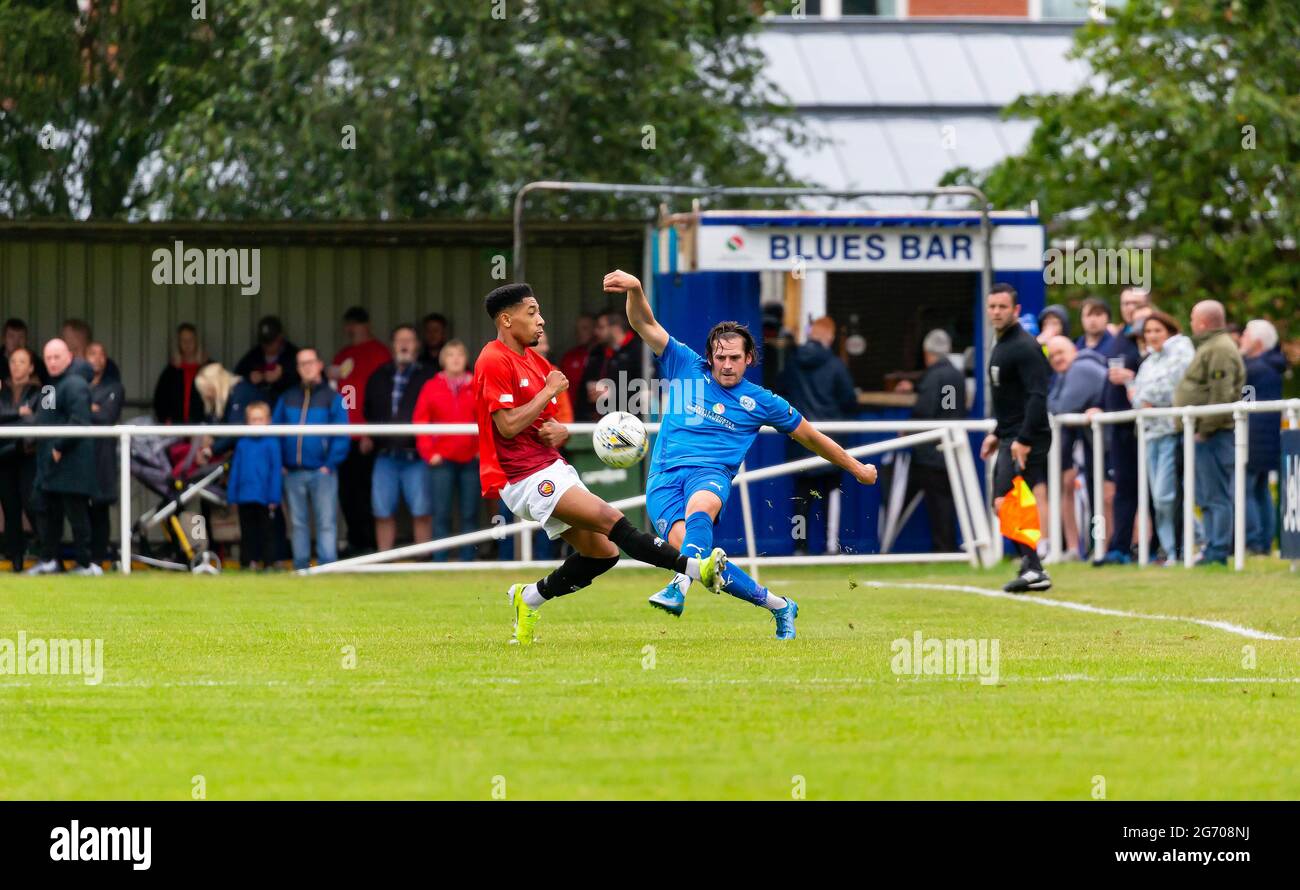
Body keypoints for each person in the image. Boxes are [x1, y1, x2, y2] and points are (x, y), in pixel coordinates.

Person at [606, 269, 878, 639]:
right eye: (720, 358)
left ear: (750, 358)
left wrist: (856, 467)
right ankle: (780, 605)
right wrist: (636, 288)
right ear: (710, 357)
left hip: (710, 475)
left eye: (734, 357)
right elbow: (643, 322)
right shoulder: (685, 364)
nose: (727, 364)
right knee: (700, 563)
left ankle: (676, 587)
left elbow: (812, 438)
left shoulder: (762, 401)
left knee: (700, 512)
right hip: (663, 480)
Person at [476, 282, 727, 647]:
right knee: (613, 521)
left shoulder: (535, 361)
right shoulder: (493, 359)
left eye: (539, 311)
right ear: (506, 319)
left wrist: (557, 429)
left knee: (603, 553)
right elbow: (507, 424)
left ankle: (528, 597)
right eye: (532, 313)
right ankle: (695, 568)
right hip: (524, 478)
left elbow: (542, 424)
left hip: (551, 466)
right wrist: (548, 392)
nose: (541, 321)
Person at [981, 284, 1052, 592]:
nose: (996, 312)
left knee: (1007, 500)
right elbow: (1011, 398)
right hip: (1010, 435)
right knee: (1011, 502)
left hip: (1026, 438)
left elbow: (1037, 396)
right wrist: (997, 433)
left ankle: (1035, 568)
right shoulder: (1002, 344)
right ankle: (1030, 563)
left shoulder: (1024, 346)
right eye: (992, 306)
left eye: (1002, 307)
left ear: (1016, 310)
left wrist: (1023, 438)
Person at [1173, 300, 1246, 566]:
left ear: (1203, 321)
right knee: (1206, 495)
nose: (1191, 323)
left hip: (1214, 435)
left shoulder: (1220, 349)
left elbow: (1222, 394)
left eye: (1193, 318)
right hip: (1205, 434)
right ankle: (1212, 548)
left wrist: (1204, 429)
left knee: (1215, 496)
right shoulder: (1212, 346)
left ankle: (1217, 551)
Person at [779, 316, 859, 556]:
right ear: (830, 337)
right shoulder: (836, 365)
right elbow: (849, 400)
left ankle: (799, 548)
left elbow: (780, 391)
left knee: (801, 498)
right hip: (830, 440)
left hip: (799, 438)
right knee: (831, 494)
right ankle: (831, 546)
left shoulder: (792, 362)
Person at [273, 348, 349, 570]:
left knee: (326, 522)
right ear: (297, 369)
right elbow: (275, 432)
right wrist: (281, 464)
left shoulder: (334, 398)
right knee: (297, 524)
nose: (307, 367)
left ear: (319, 365)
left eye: (310, 362)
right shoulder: (287, 397)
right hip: (292, 472)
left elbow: (341, 435)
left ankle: (327, 566)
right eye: (301, 364)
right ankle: (301, 567)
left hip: (322, 472)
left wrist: (329, 465)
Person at [1127, 311, 1194, 563]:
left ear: (1170, 331)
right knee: (1157, 496)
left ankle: (1188, 541)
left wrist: (1146, 398)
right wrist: (1141, 399)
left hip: (1170, 432)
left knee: (1167, 495)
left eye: (1158, 330)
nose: (1153, 336)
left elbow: (1175, 384)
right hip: (1148, 434)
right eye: (1148, 332)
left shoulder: (1182, 351)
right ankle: (1169, 550)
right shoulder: (1148, 361)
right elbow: (1135, 395)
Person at [363, 325, 437, 553]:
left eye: (409, 340)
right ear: (393, 345)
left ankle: (423, 561)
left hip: (416, 455)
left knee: (422, 510)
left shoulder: (429, 374)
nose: (404, 344)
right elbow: (368, 410)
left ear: (416, 345)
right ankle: (386, 561)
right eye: (399, 340)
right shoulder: (379, 374)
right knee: (382, 511)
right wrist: (367, 435)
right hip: (385, 455)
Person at [28, 339, 98, 575]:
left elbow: (80, 421)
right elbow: (44, 418)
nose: (52, 362)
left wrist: (57, 447)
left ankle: (85, 564)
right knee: (47, 513)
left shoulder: (75, 384)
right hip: (49, 465)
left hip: (71, 464)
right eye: (48, 358)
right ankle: (49, 560)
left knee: (77, 516)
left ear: (69, 356)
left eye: (57, 357)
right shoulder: (50, 385)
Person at [329, 306, 392, 556]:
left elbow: (381, 396)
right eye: (347, 325)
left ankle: (369, 544)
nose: (350, 330)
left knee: (367, 491)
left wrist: (370, 432)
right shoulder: (343, 354)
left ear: (366, 325)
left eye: (354, 325)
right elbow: (334, 390)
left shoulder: (378, 352)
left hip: (365, 435)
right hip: (343, 435)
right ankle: (355, 541)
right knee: (346, 492)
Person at [1092, 287, 1148, 566]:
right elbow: (1107, 379)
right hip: (1119, 426)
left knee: (1153, 491)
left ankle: (1159, 548)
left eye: (1136, 304)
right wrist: (1100, 405)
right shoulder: (1119, 339)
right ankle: (1119, 547)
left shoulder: (1149, 339)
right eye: (1126, 303)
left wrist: (1132, 377)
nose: (1130, 308)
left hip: (1143, 425)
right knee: (1122, 488)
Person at [901, 329, 966, 552]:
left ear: (928, 353)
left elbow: (925, 409)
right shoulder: (957, 375)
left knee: (934, 503)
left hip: (930, 451)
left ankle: (941, 548)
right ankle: (948, 546)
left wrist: (907, 430)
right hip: (951, 447)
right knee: (947, 501)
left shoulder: (934, 376)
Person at [414, 340, 479, 561]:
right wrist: (429, 453)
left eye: (460, 354)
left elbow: (489, 418)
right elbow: (420, 422)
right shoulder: (431, 386)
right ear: (443, 360)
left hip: (471, 459)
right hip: (440, 461)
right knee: (441, 514)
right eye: (450, 355)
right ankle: (439, 560)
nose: (455, 359)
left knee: (470, 513)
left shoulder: (477, 385)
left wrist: (481, 450)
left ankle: (468, 559)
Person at [1046, 335, 1108, 558]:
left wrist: (1055, 404)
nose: (1056, 359)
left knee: (1107, 497)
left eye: (1060, 353)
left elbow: (1060, 406)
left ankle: (1110, 548)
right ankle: (1097, 548)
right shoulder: (1066, 373)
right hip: (1095, 444)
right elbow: (1053, 404)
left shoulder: (1081, 368)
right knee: (1095, 496)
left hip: (1110, 443)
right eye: (1052, 356)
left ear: (1074, 349)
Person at [1240, 319, 1287, 555]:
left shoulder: (1252, 369)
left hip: (1252, 438)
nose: (1241, 339)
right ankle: (1264, 541)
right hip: (1267, 439)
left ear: (1257, 342)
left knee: (1245, 489)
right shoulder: (1273, 366)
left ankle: (1254, 542)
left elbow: (1247, 405)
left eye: (1245, 336)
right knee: (1261, 490)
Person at [225, 401, 283, 570]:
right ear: (247, 422)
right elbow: (235, 471)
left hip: (265, 498)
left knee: (267, 532)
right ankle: (249, 562)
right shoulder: (242, 444)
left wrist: (274, 497)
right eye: (253, 419)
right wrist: (232, 496)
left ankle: (269, 563)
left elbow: (275, 473)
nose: (257, 423)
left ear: (268, 421)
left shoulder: (272, 444)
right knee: (247, 532)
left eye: (260, 419)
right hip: (245, 496)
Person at [0, 347, 41, 570]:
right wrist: (19, 414)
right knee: (10, 509)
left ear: (31, 366)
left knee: (32, 504)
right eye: (13, 361)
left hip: (28, 457)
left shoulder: (44, 391)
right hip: (5, 458)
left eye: (22, 361)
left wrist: (15, 423)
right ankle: (15, 560)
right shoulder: (1, 390)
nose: (16, 366)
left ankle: (48, 555)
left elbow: (41, 421)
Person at [85, 342, 125, 567]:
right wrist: (90, 408)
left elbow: (107, 417)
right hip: (78, 455)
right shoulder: (72, 385)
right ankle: (82, 559)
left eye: (101, 354)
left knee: (100, 508)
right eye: (92, 354)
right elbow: (62, 413)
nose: (96, 358)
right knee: (79, 508)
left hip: (102, 456)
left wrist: (84, 409)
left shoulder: (115, 387)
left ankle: (98, 561)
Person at [579, 309, 644, 421]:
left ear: (616, 329)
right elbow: (585, 386)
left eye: (600, 327)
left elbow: (649, 388)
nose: (595, 332)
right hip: (599, 420)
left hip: (630, 421)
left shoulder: (639, 351)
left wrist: (613, 393)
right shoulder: (597, 352)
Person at [152, 323, 209, 425]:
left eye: (191, 340)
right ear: (178, 343)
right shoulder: (171, 371)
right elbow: (160, 399)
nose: (187, 344)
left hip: (201, 426)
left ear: (197, 341)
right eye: (183, 340)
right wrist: (165, 419)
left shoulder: (208, 368)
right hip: (176, 426)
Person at [235, 316, 300, 405]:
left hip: (286, 403)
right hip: (259, 406)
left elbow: (303, 380)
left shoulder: (293, 354)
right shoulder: (254, 355)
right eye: (264, 342)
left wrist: (282, 377)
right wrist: (249, 378)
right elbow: (237, 376)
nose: (267, 346)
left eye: (271, 342)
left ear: (280, 337)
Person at [558, 312, 597, 399]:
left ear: (595, 329)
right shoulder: (569, 357)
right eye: (577, 329)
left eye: (585, 328)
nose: (579, 333)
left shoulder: (605, 356)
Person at [1, 318, 46, 384]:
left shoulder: (36, 362)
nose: (16, 342)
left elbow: (49, 387)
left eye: (21, 337)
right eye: (11, 336)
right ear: (4, 339)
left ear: (26, 340)